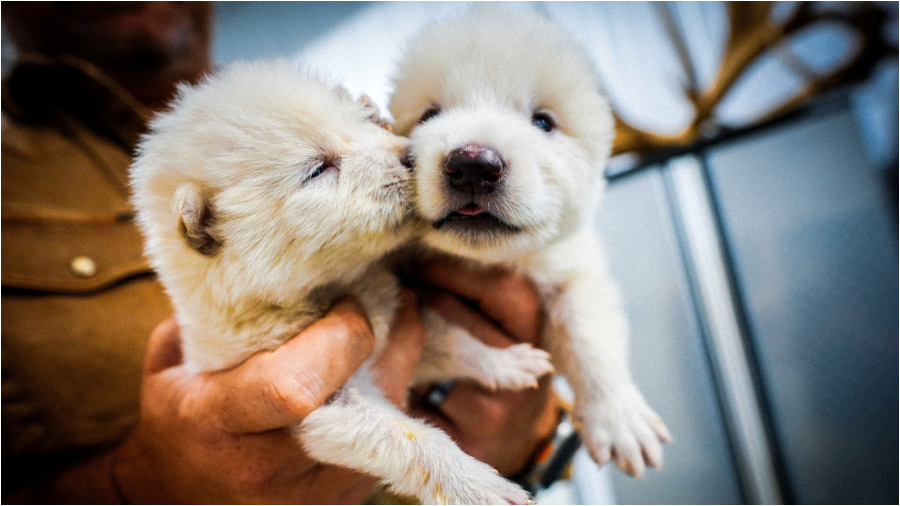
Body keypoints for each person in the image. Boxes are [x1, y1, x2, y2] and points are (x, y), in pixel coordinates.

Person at [2, 2, 561, 503]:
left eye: (364, 126)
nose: (402, 152)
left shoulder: (282, 95)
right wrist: (136, 487)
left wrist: (531, 438)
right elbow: (327, 414)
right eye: (319, 170)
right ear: (207, 230)